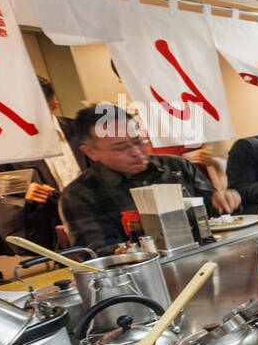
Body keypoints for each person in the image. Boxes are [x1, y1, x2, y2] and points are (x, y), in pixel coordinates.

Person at [59, 104, 241, 254]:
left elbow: (215, 212)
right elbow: (95, 253)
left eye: (138, 141)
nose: (136, 152)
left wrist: (224, 201)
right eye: (120, 148)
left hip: (204, 258)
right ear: (90, 152)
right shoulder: (79, 194)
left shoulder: (176, 166)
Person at [0, 76, 84, 252]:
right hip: (49, 228)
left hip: (95, 217)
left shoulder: (81, 130)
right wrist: (21, 187)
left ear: (53, 107)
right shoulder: (4, 141)